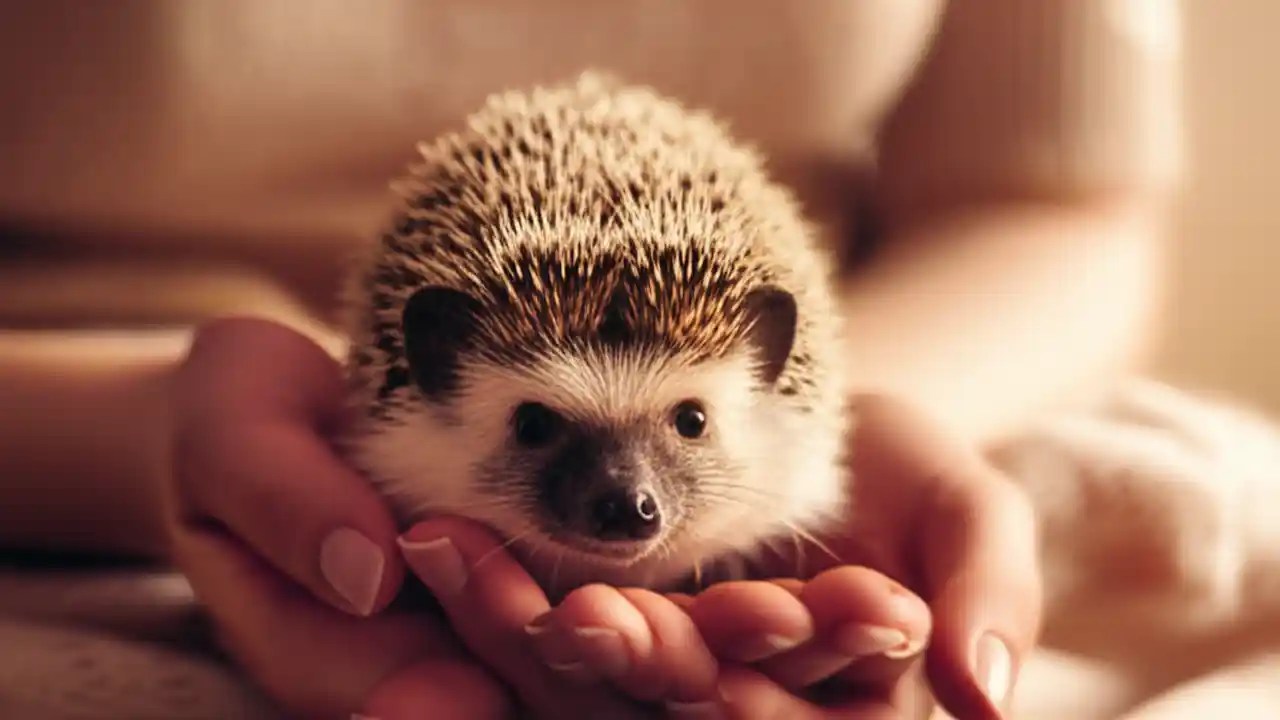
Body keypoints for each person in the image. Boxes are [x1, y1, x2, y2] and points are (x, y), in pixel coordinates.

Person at [0, 2, 1181, 718]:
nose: (623, 494)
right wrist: (136, 450)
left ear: (764, 381)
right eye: (537, 427)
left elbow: (1050, 205)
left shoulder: (802, 439)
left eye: (686, 427)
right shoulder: (393, 430)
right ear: (437, 380)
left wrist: (910, 412)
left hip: (960, 381)